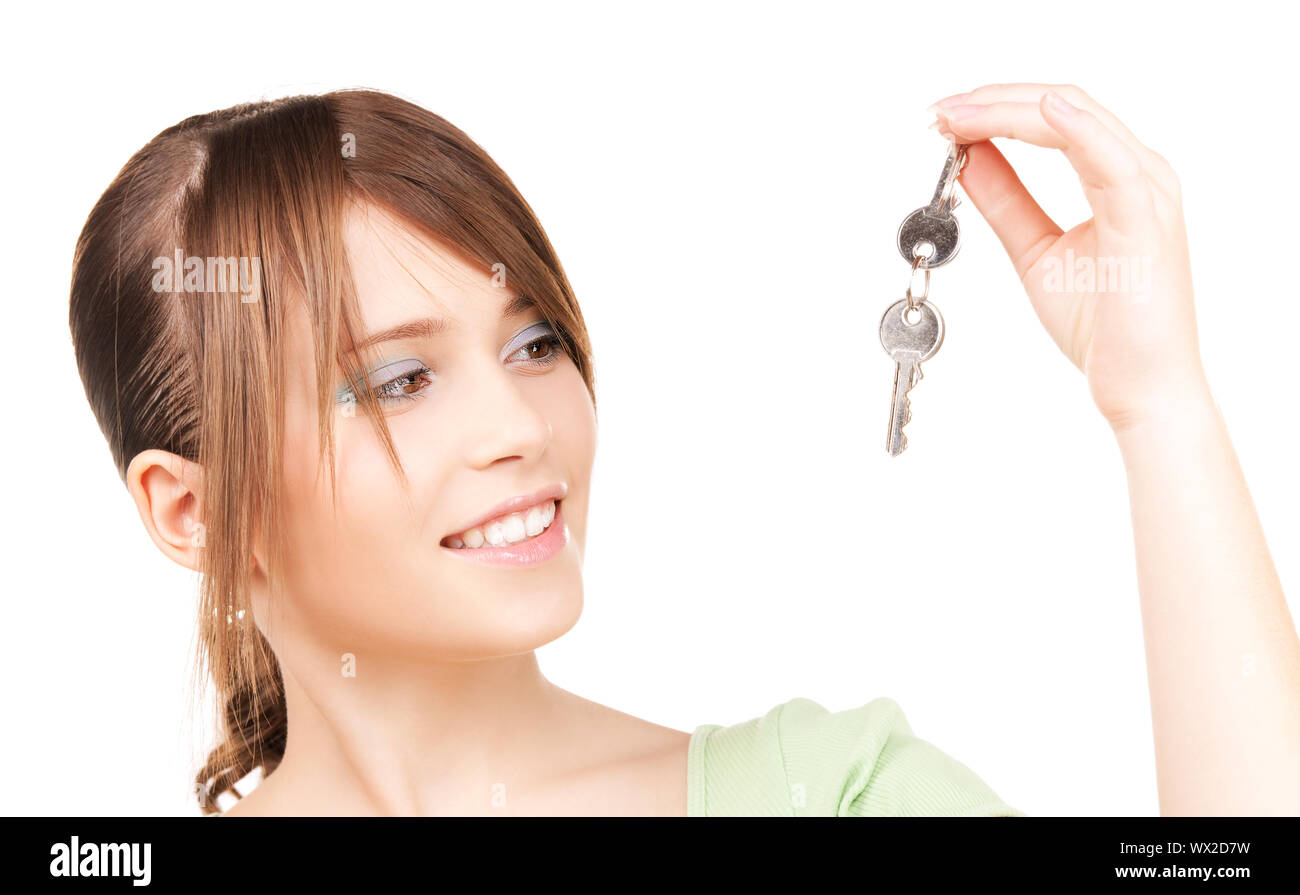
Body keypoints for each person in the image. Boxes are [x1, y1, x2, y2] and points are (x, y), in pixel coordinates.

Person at [66, 84, 1298, 816]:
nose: (521, 427)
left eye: (536, 343)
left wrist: (1161, 408)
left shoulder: (827, 795)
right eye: (399, 379)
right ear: (192, 515)